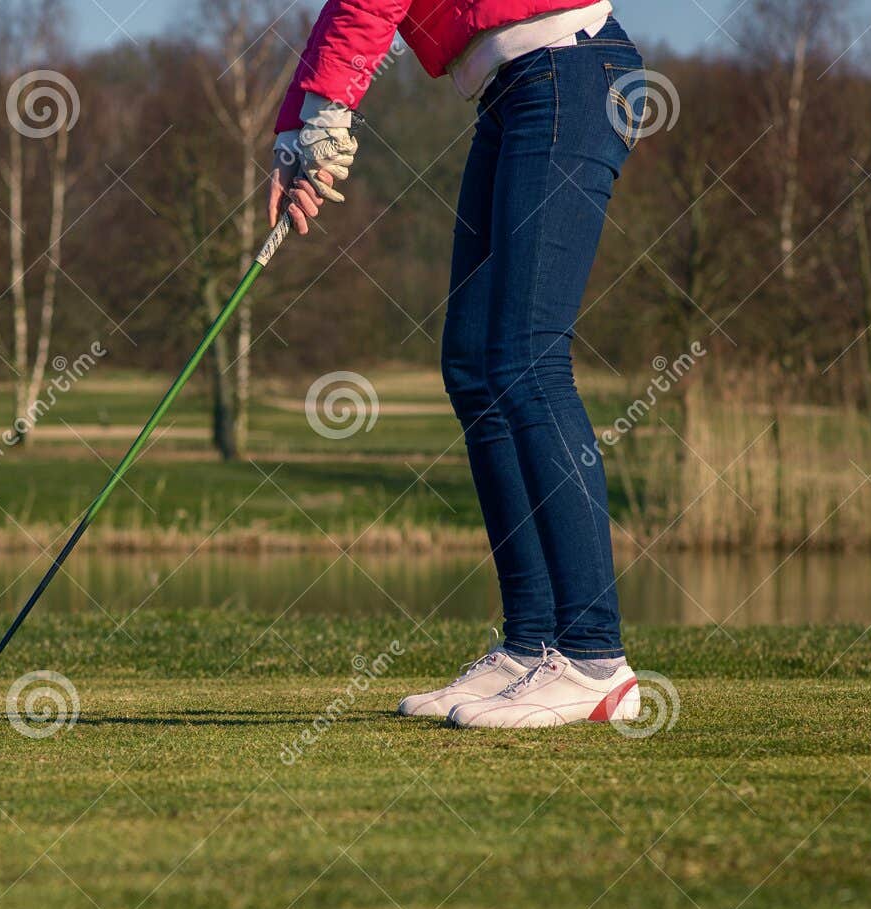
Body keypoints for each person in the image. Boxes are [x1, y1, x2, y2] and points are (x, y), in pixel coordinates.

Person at [269, 0, 647, 729]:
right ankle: (532, 644)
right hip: (516, 90)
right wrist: (295, 133)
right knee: (476, 366)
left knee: (528, 361)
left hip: (566, 70)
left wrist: (325, 116)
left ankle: (596, 662)